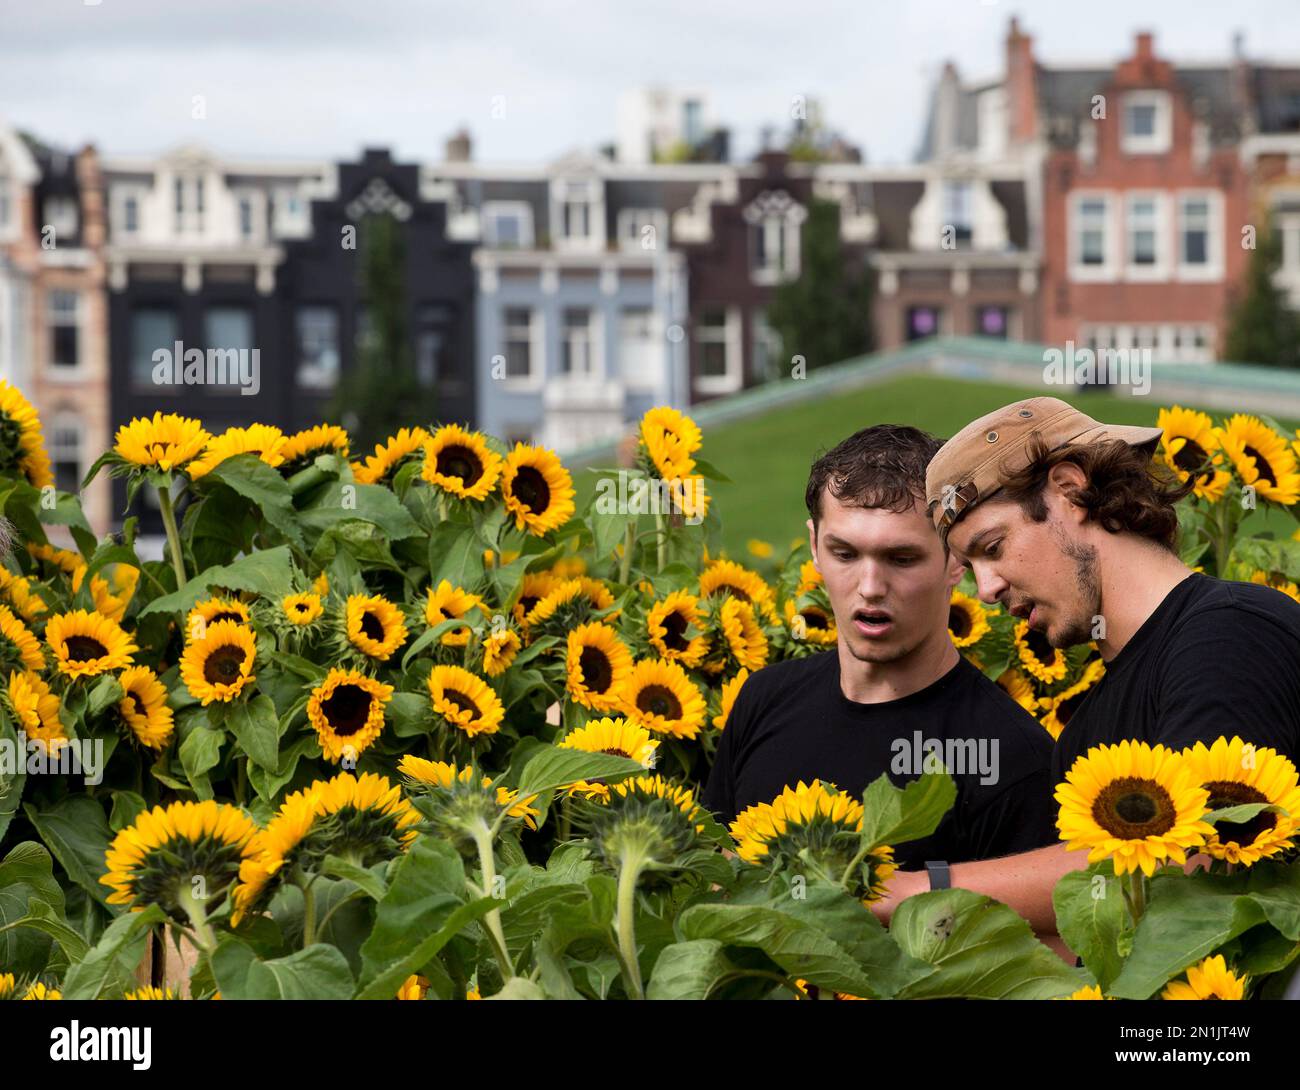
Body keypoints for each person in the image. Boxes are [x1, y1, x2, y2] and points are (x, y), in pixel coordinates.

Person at [864, 396, 1300, 932]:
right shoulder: (1083, 736)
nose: (987, 590)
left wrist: (916, 892)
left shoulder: (1230, 632)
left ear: (1070, 490)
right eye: (970, 566)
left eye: (993, 547)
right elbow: (1090, 923)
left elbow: (1195, 863)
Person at [701, 424, 1058, 874]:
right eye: (844, 554)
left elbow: (1025, 940)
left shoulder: (1008, 756)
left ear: (956, 561)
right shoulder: (762, 699)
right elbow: (716, 877)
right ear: (814, 545)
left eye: (901, 558)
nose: (870, 588)